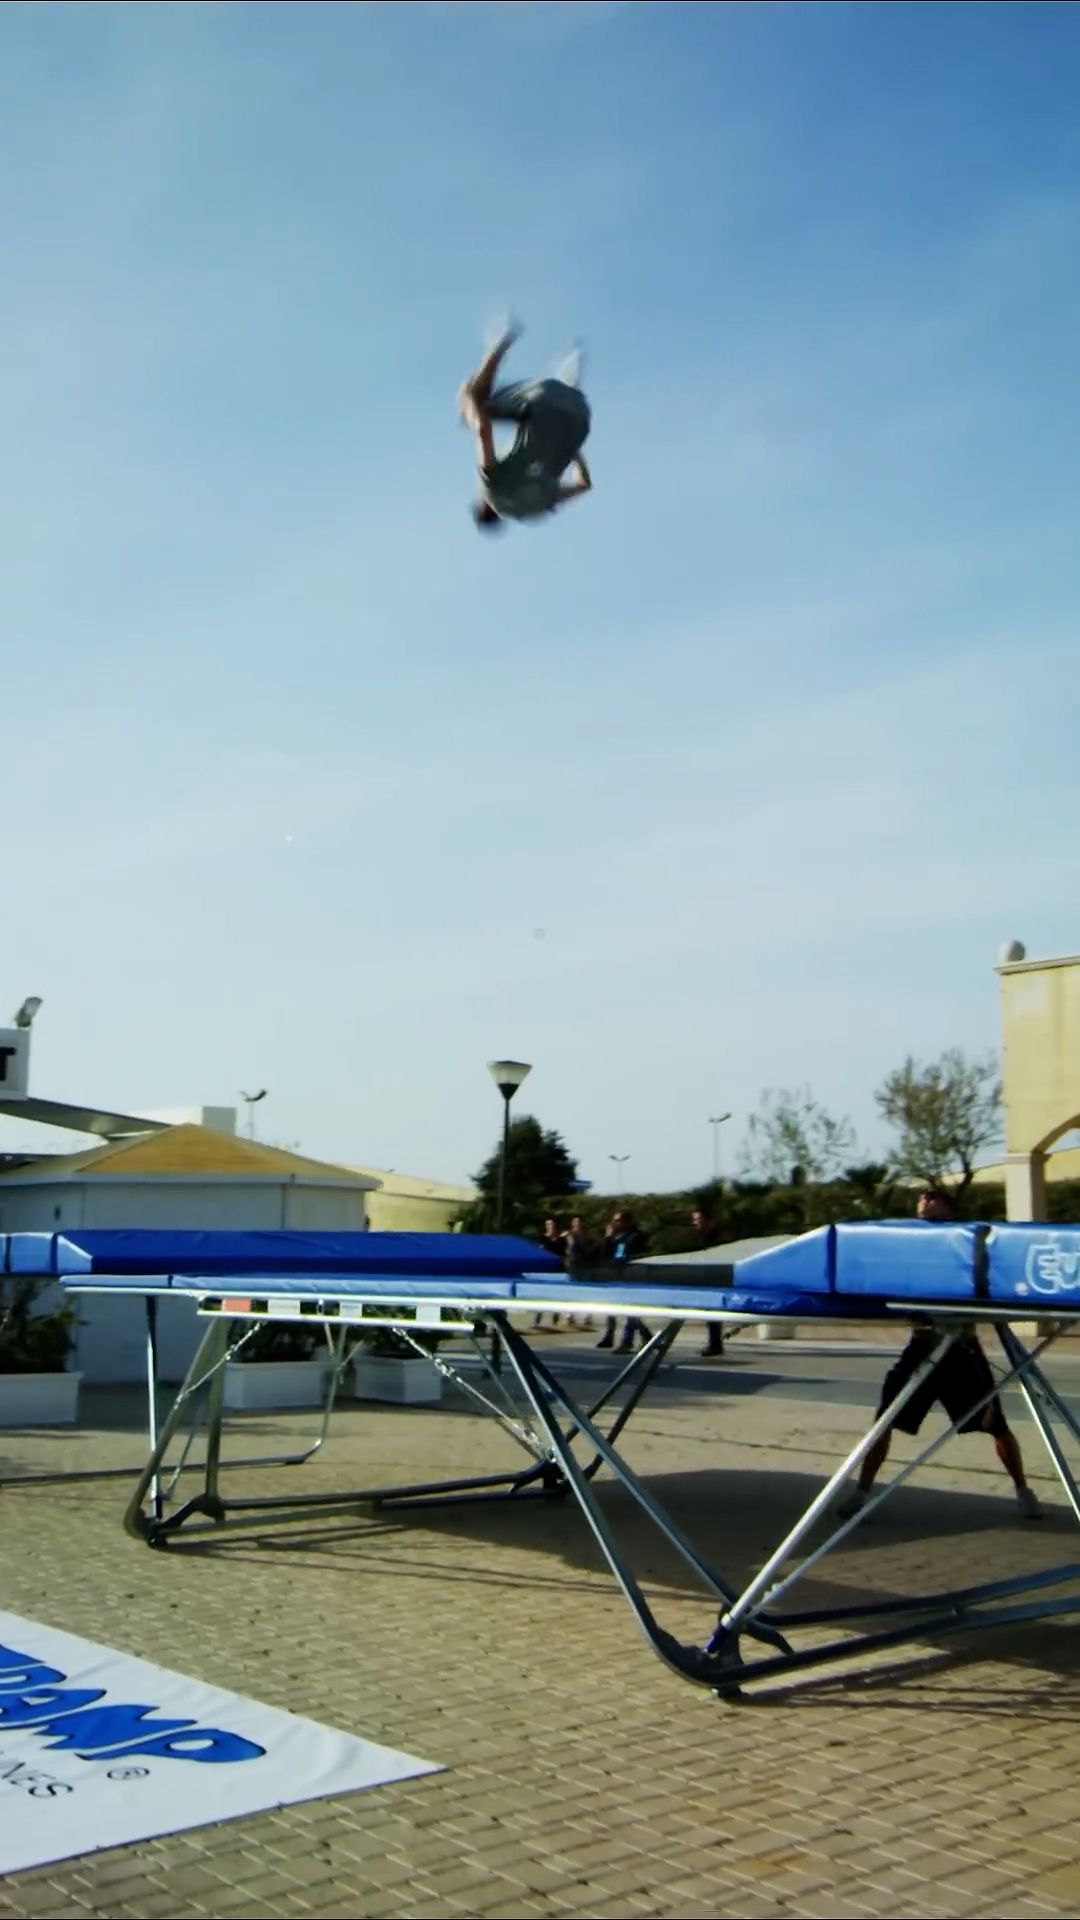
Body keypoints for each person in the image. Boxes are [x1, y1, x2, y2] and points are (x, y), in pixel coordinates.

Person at [836, 1187, 1043, 1521]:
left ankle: (1023, 1490)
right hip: (923, 1344)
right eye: (921, 1197)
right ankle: (861, 1492)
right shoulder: (909, 1242)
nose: (924, 1200)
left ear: (949, 1207)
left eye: (933, 1197)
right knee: (884, 1421)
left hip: (961, 1350)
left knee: (994, 1424)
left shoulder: (968, 1242)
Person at [457, 320, 592, 531]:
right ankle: (503, 338)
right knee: (471, 404)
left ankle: (570, 380)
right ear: (483, 504)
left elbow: (584, 485)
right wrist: (471, 408)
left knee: (530, 427)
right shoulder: (491, 489)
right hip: (546, 402)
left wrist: (572, 450)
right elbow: (483, 431)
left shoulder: (533, 511)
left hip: (581, 419)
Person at [596, 1209, 650, 1352]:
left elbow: (634, 1250)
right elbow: (605, 1254)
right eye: (615, 1221)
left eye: (619, 1221)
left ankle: (627, 1341)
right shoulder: (614, 1237)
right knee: (612, 1307)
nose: (616, 1224)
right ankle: (611, 1335)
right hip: (615, 1273)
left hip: (631, 1274)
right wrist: (608, 1238)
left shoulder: (636, 1235)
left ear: (629, 1221)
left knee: (630, 1309)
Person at [690, 1207, 725, 1358]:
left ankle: (715, 1343)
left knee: (713, 1314)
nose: (696, 1223)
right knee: (709, 1315)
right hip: (707, 1277)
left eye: (699, 1220)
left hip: (715, 1278)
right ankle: (714, 1342)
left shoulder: (716, 1238)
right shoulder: (702, 1236)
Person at [534, 1218, 566, 1330]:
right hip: (545, 1268)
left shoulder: (561, 1240)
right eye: (548, 1225)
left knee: (557, 1293)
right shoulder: (543, 1238)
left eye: (552, 1225)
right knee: (541, 1293)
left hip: (557, 1268)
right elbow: (539, 1250)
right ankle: (538, 1318)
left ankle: (555, 1317)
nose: (551, 1227)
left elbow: (563, 1253)